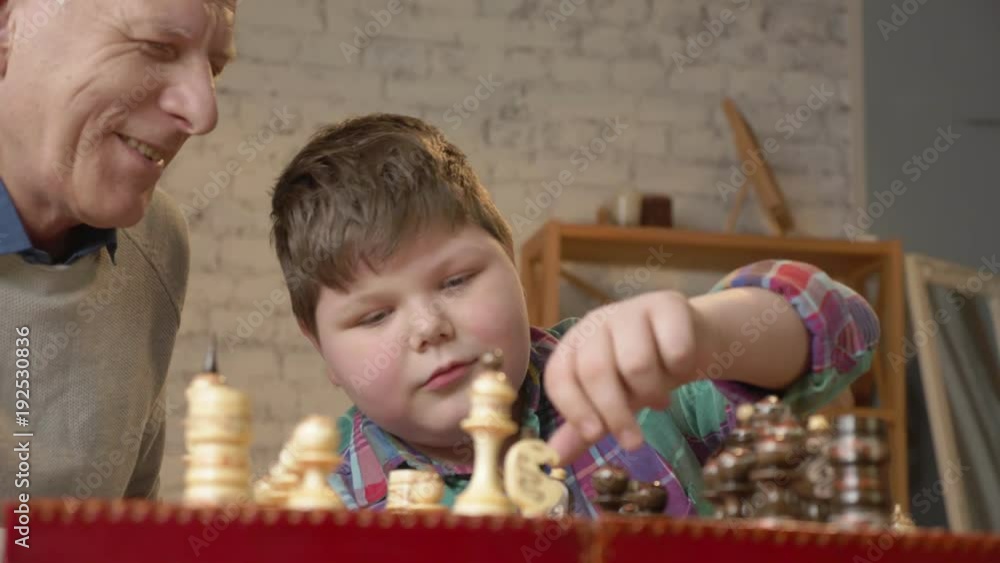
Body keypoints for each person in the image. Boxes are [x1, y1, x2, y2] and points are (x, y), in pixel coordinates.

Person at [267, 113, 880, 517]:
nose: (429, 327)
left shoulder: (635, 387)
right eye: (373, 317)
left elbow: (845, 331)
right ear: (321, 350)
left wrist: (705, 331)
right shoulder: (323, 502)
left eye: (457, 280)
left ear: (509, 261)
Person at [0, 0, 236, 501]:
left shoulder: (156, 240)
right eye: (156, 46)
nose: (202, 112)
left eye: (214, 67)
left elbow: (126, 525)